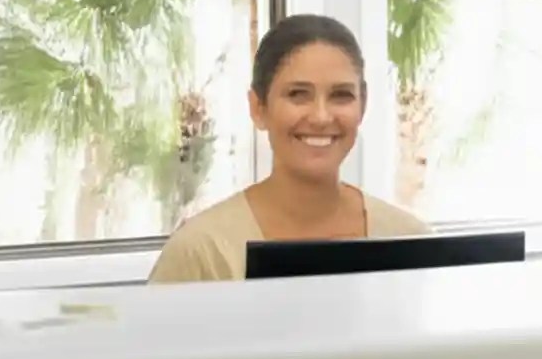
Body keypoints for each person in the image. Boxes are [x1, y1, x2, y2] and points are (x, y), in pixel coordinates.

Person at [148, 14, 429, 283]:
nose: (321, 117)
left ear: (363, 105)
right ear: (258, 108)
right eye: (298, 95)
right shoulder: (203, 254)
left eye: (341, 96)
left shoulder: (411, 240)